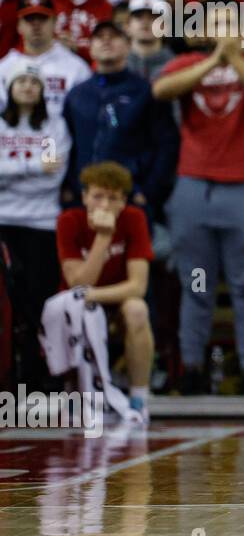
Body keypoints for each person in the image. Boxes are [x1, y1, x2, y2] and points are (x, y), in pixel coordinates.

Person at [152, 0, 244, 395]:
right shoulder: (186, 63)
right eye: (218, 23)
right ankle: (191, 366)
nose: (225, 30)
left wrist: (235, 58)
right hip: (195, 187)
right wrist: (213, 61)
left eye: (232, 22)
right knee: (196, 281)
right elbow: (161, 90)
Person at [56, 161, 155, 420]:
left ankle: (139, 398)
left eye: (113, 198)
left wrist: (93, 295)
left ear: (124, 202)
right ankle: (75, 392)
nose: (104, 205)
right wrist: (103, 237)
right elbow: (78, 282)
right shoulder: (69, 221)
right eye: (98, 196)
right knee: (79, 312)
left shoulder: (134, 219)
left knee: (137, 310)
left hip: (112, 298)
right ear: (84, 197)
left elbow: (138, 286)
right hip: (77, 305)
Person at [62, 20, 179, 217]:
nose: (106, 42)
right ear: (90, 48)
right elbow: (61, 141)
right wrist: (65, 185)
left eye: (114, 37)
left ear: (128, 45)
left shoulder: (145, 91)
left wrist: (149, 191)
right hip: (83, 198)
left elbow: (167, 144)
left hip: (130, 198)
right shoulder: (77, 95)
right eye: (99, 37)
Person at [0, 65, 70, 388]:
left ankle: (36, 375)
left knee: (38, 305)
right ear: (9, 87)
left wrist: (10, 173)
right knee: (7, 305)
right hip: (4, 223)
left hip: (42, 224)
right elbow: (41, 170)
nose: (28, 87)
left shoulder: (54, 125)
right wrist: (32, 167)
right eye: (21, 81)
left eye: (34, 82)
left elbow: (52, 176)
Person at [0, 0, 92, 118]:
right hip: (15, 137)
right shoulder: (4, 68)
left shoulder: (76, 67)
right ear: (19, 25)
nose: (36, 25)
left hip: (61, 136)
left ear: (54, 22)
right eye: (29, 19)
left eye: (42, 18)